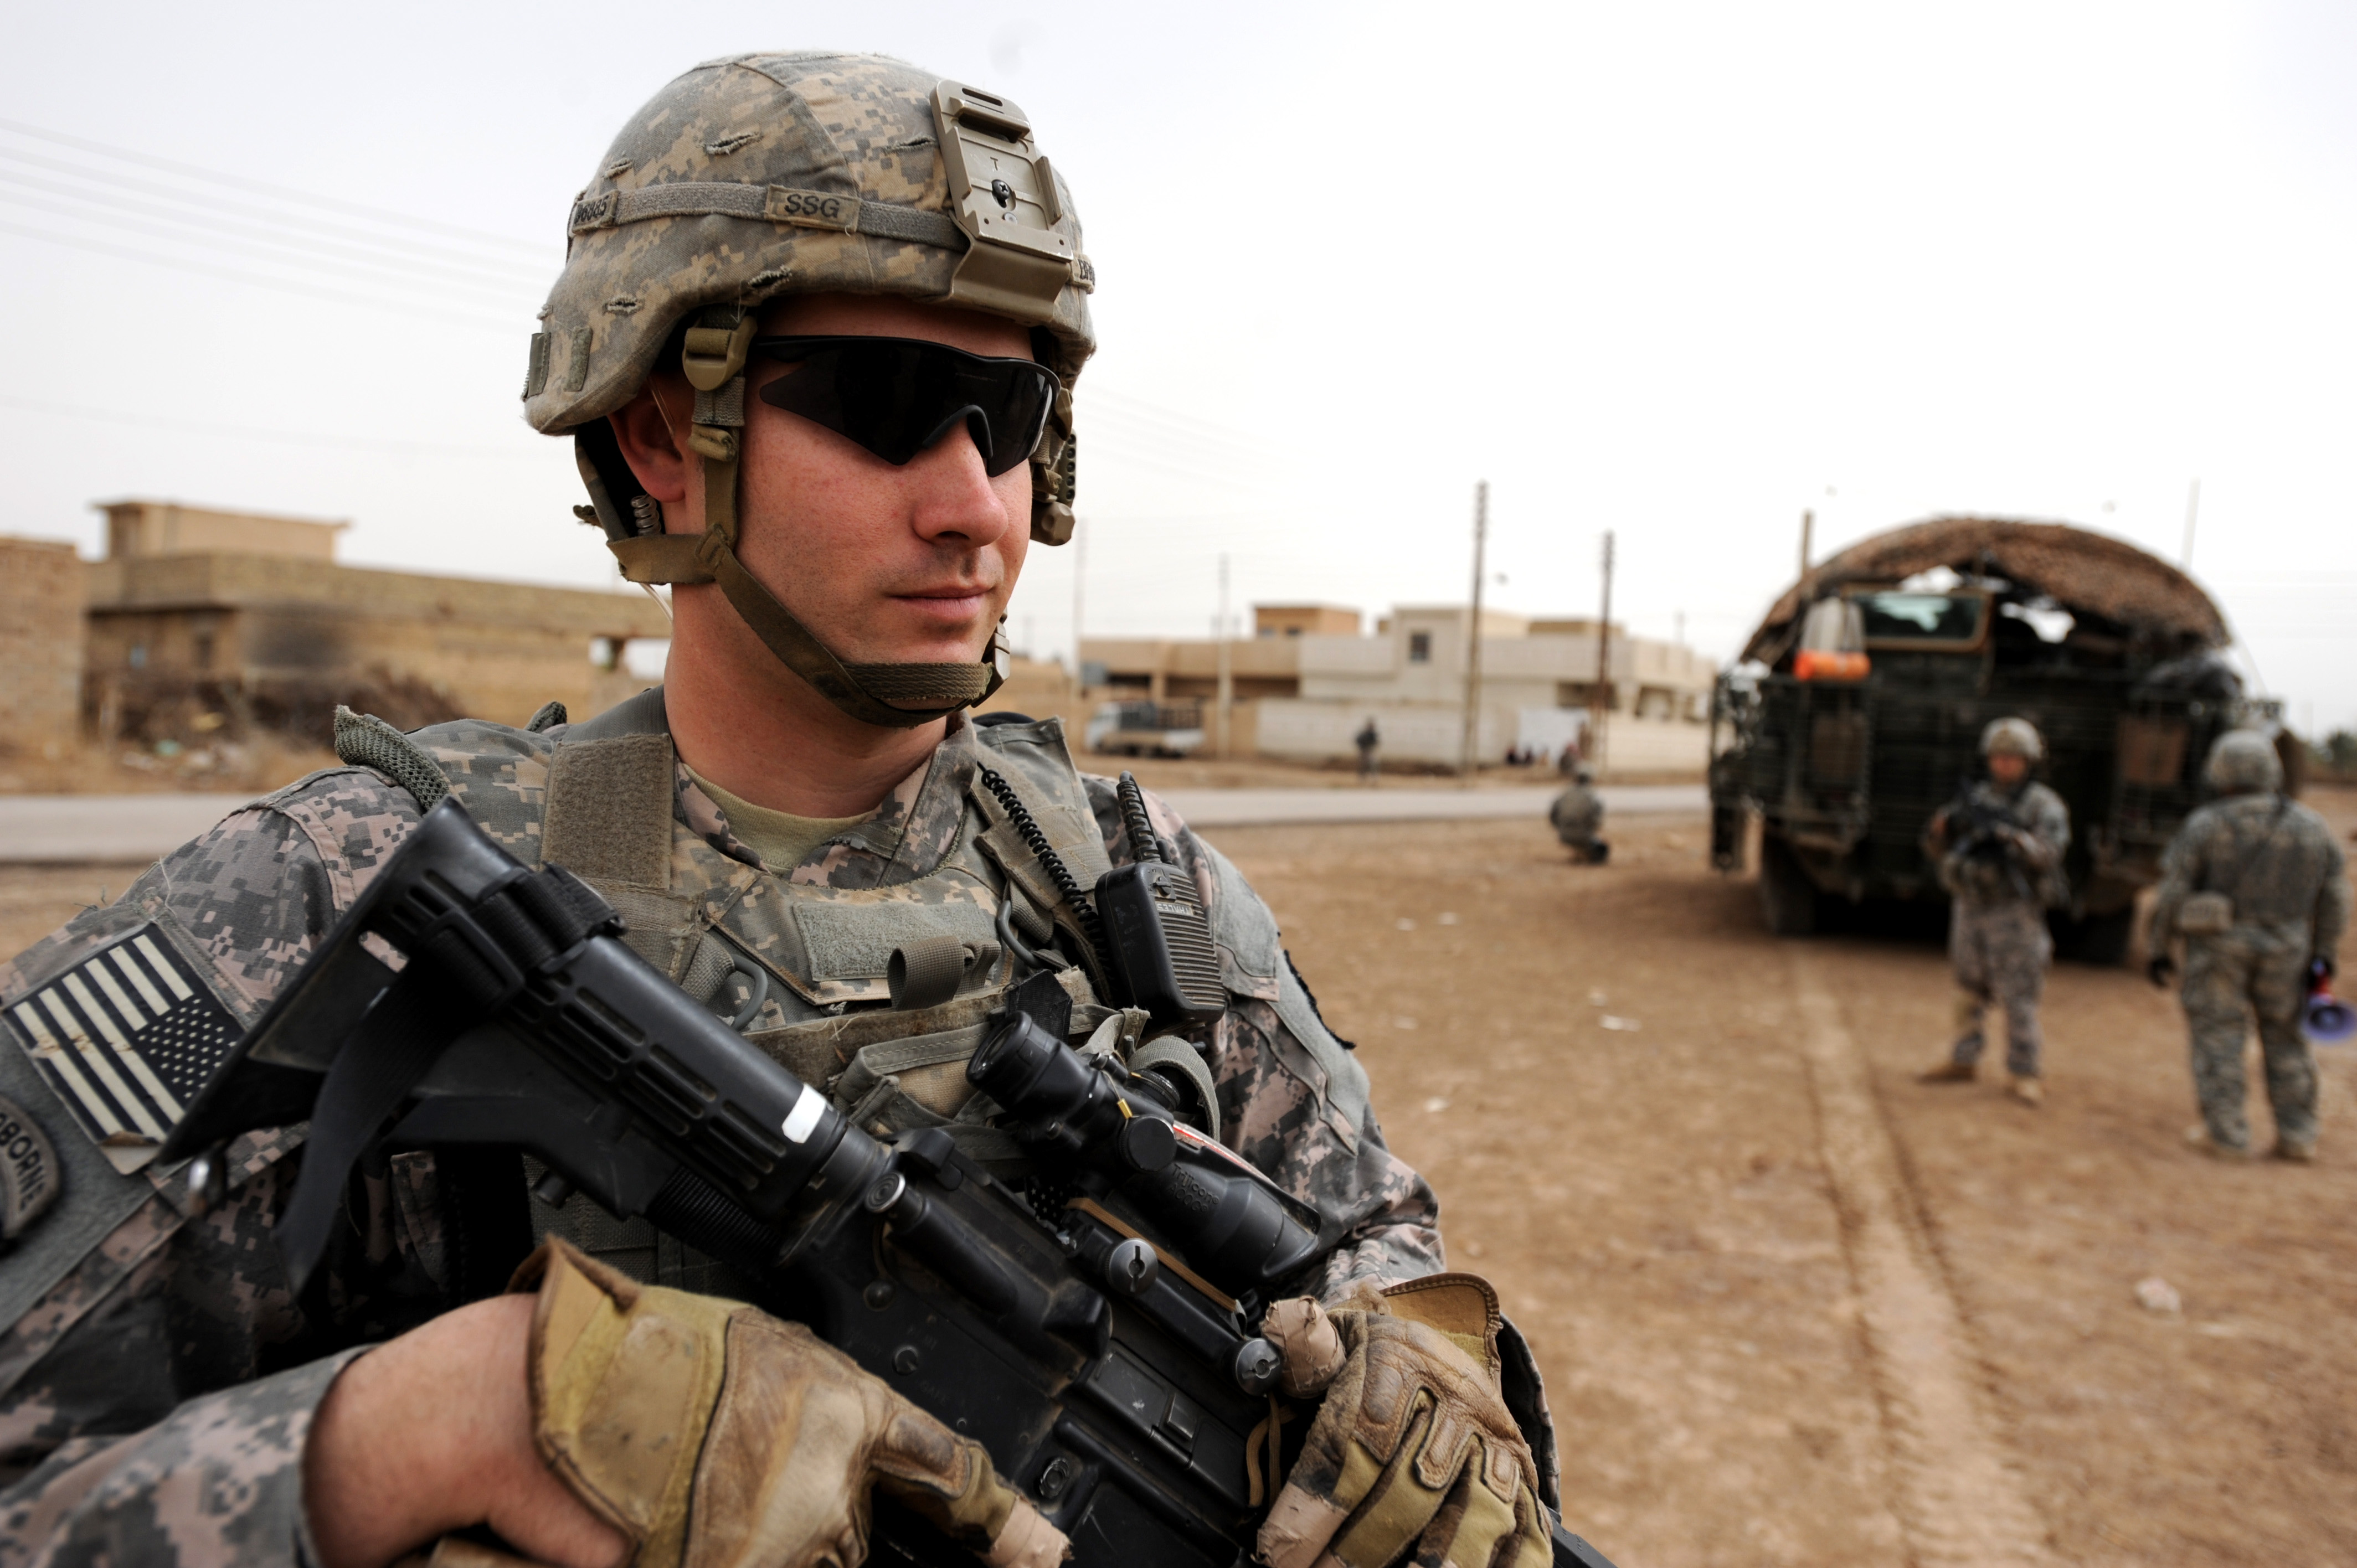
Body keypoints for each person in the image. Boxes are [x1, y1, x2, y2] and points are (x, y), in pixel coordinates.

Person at [0, 55, 1557, 1568]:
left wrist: (1433, 1378)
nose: (973, 505)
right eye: (887, 405)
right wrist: (421, 1428)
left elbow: (1374, 1255)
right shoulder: (348, 898)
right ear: (663, 435)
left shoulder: (1142, 898)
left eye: (1008, 422)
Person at [2147, 729, 2349, 1161]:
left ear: (2220, 770)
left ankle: (2228, 1135)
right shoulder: (2310, 825)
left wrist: (2159, 947)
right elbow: (2334, 895)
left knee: (2219, 1037)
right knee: (2288, 1039)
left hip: (2219, 950)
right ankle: (2298, 1136)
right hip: (2289, 949)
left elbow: (2173, 893)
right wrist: (2325, 953)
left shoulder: (2205, 824)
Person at [1917, 718, 2071, 1106]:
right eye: (1998, 757)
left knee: (2019, 992)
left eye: (2013, 758)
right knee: (1967, 985)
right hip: (1971, 904)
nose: (2004, 764)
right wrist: (1942, 830)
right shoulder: (1976, 799)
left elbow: (2050, 854)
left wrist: (2013, 840)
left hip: (2014, 909)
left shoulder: (2043, 805)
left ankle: (2025, 1070)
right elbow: (1936, 846)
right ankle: (1963, 1059)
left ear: (2029, 760)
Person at [1548, 768, 1607, 863]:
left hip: (1564, 835)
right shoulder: (1592, 796)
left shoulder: (1565, 794)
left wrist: (1560, 828)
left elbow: (1553, 815)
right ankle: (1584, 853)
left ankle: (1578, 852)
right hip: (1584, 835)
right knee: (1603, 849)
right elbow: (1597, 821)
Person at [1353, 716, 1381, 782]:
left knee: (1372, 764)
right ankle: (1362, 778)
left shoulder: (1373, 734)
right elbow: (1358, 741)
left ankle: (1373, 778)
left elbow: (1375, 742)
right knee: (1363, 765)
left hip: (1370, 750)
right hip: (1364, 751)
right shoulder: (1363, 734)